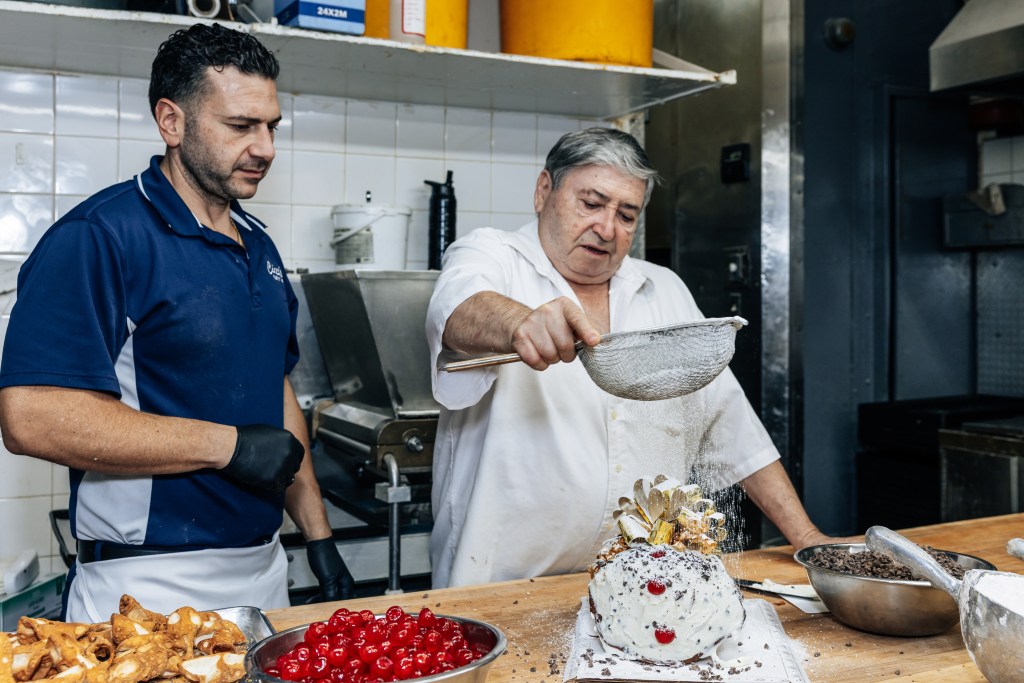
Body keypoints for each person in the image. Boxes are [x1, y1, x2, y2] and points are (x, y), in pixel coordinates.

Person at [0, 23, 353, 622]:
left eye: (271, 126)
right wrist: (226, 446)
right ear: (171, 121)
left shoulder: (261, 247)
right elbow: (30, 416)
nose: (265, 147)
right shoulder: (100, 238)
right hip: (144, 585)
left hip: (265, 572)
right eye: (241, 126)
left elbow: (276, 387)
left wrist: (317, 536)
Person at [425, 127, 840, 588]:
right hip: (500, 582)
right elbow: (458, 310)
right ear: (545, 190)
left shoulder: (663, 287)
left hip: (642, 580)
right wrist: (521, 322)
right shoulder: (492, 255)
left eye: (627, 214)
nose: (607, 229)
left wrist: (806, 537)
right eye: (592, 203)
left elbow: (731, 425)